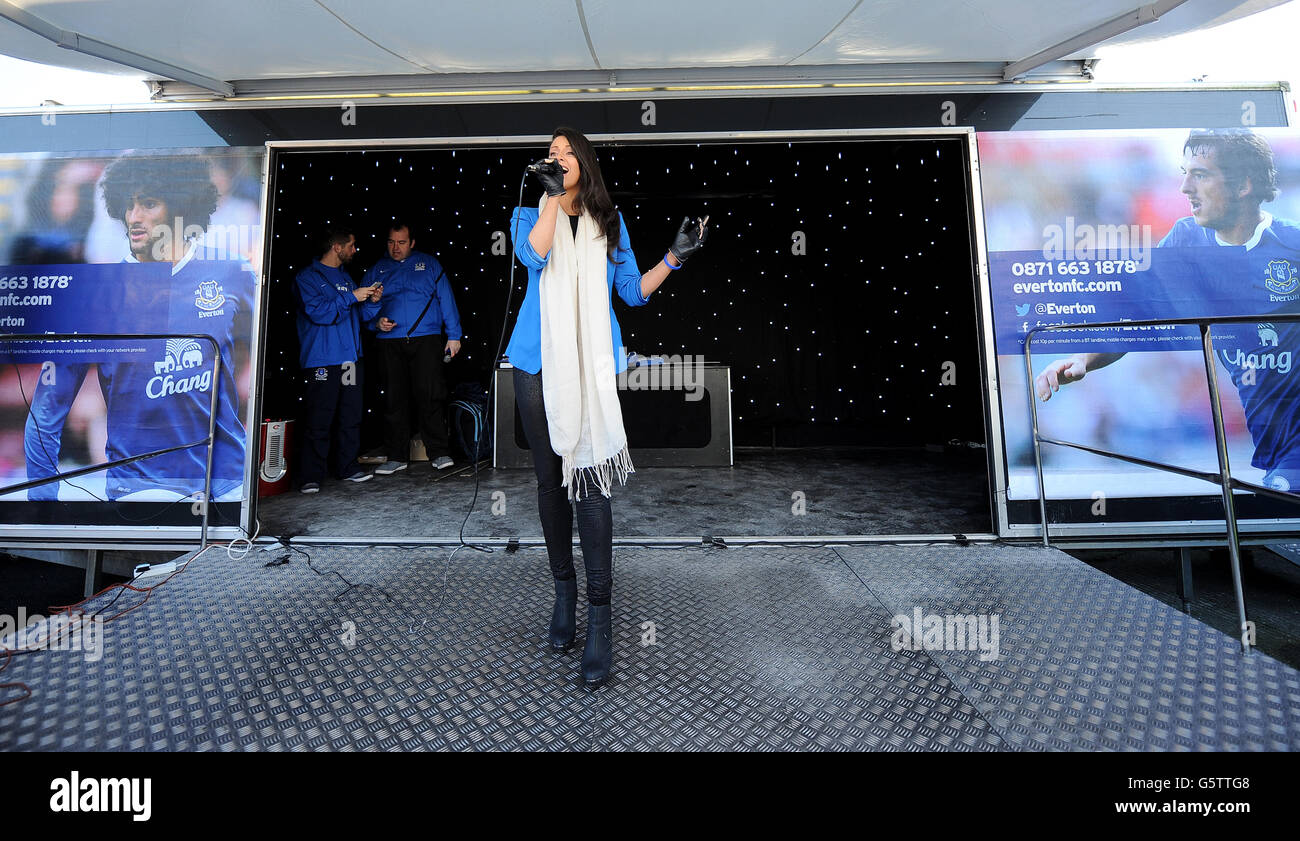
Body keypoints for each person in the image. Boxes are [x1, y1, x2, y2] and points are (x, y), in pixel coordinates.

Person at [507, 127, 709, 688]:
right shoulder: (530, 213)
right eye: (551, 152)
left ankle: (600, 619)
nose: (558, 157)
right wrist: (548, 196)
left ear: (587, 162)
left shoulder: (610, 222)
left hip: (591, 366)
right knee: (550, 484)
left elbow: (633, 293)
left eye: (568, 152)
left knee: (591, 486)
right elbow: (533, 256)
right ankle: (564, 595)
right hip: (538, 362)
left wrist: (674, 256)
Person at [1035, 128, 1300, 492]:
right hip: (1271, 444)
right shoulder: (1185, 239)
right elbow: (1139, 317)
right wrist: (1083, 358)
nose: (1185, 187)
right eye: (1184, 173)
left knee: (1275, 503)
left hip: (1294, 446)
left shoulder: (1293, 245)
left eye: (1201, 175)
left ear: (1244, 186)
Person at [24, 153, 255, 502]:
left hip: (225, 482)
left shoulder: (231, 273)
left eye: (148, 203)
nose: (134, 217)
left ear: (180, 206)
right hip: (139, 488)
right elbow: (47, 407)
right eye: (129, 204)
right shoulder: (97, 294)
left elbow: (258, 349)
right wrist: (42, 500)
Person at [363, 222, 462, 475]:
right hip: (390, 343)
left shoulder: (429, 264)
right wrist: (377, 322)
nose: (396, 248)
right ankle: (396, 456)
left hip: (426, 339)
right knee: (394, 399)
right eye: (391, 242)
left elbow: (446, 299)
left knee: (430, 395)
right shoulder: (377, 269)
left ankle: (439, 453)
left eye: (402, 242)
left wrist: (454, 336)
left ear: (412, 243)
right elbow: (362, 310)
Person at [293, 227, 382, 493]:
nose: (355, 250)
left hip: (350, 361)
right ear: (337, 247)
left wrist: (373, 302)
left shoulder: (346, 278)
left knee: (351, 415)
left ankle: (348, 468)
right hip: (322, 360)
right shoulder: (307, 277)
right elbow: (318, 313)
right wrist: (352, 296)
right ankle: (311, 475)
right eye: (352, 245)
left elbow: (361, 317)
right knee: (320, 417)